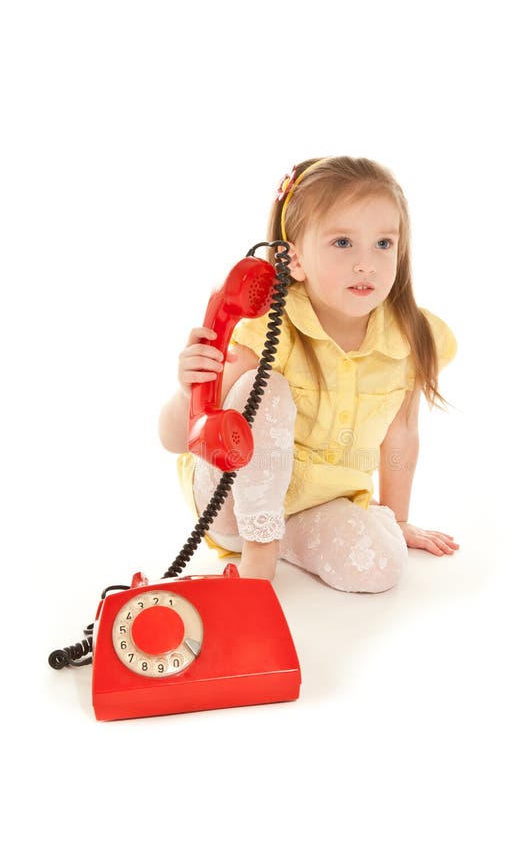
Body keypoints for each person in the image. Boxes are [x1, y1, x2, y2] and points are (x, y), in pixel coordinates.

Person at [159, 156, 458, 592]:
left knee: (379, 567)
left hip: (317, 506)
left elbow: (401, 433)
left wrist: (398, 520)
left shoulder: (412, 338)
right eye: (342, 243)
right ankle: (258, 551)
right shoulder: (263, 330)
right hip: (229, 506)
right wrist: (190, 393)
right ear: (293, 259)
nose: (366, 264)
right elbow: (172, 439)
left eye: (383, 243)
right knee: (267, 389)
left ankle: (283, 539)